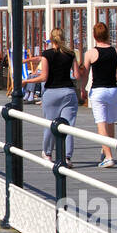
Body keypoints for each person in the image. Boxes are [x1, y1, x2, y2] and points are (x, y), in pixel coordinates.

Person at [25, 26, 84, 166]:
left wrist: (26, 81)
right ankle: (67, 157)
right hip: (68, 92)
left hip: (51, 93)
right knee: (68, 126)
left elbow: (44, 77)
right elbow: (77, 75)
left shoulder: (47, 54)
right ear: (63, 38)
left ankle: (47, 153)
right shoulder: (70, 54)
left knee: (50, 124)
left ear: (51, 39)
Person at [83, 22, 117, 167]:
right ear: (107, 34)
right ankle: (106, 151)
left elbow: (85, 73)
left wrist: (83, 88)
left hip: (98, 90)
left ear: (95, 36)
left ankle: (108, 157)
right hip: (113, 89)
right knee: (110, 123)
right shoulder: (116, 51)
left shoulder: (91, 53)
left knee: (101, 123)